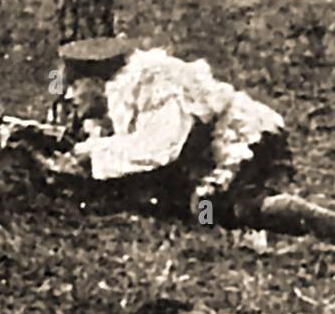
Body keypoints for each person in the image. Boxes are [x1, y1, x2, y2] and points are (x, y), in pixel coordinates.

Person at [41, 37, 293, 226]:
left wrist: (92, 153)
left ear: (96, 83)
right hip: (201, 157)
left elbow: (159, 147)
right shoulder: (115, 99)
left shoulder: (154, 85)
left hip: (246, 140)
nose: (69, 96)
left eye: (75, 86)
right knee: (183, 208)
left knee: (220, 206)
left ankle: (315, 222)